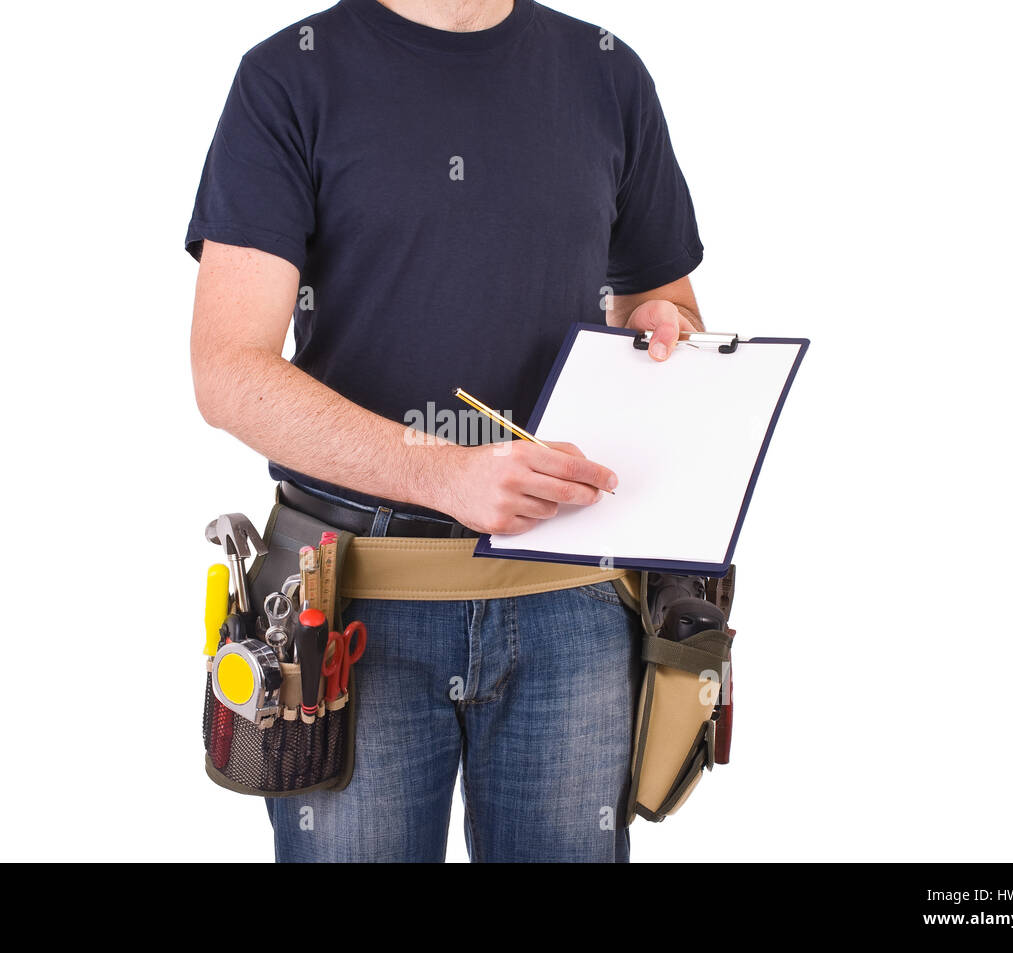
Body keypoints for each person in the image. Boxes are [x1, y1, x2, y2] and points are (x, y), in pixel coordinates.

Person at [187, 0, 704, 862]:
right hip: (348, 602)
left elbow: (667, 303)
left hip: (573, 595)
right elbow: (228, 371)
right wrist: (444, 474)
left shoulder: (606, 70)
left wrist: (662, 327)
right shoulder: (289, 76)